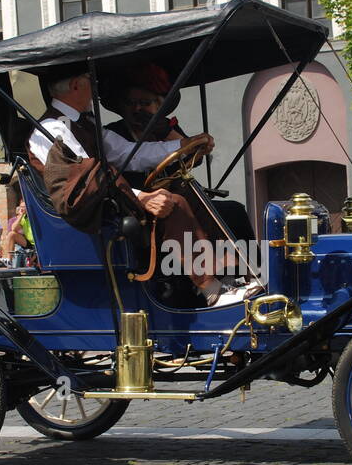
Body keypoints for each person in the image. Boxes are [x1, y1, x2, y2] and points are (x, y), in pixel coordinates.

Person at [27, 69, 250, 307]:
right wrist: (141, 198)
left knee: (188, 192)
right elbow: (87, 182)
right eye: (90, 81)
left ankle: (232, 277)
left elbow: (129, 153)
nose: (94, 88)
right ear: (75, 86)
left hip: (112, 202)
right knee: (174, 204)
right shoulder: (53, 129)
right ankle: (212, 290)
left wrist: (182, 145)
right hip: (95, 213)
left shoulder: (86, 123)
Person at [105, 62, 257, 245]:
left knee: (234, 211)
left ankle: (248, 270)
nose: (137, 109)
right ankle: (207, 267)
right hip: (146, 207)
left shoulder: (166, 128)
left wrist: (162, 128)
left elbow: (193, 156)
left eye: (144, 103)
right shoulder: (113, 134)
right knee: (185, 212)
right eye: (130, 103)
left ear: (160, 105)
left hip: (181, 198)